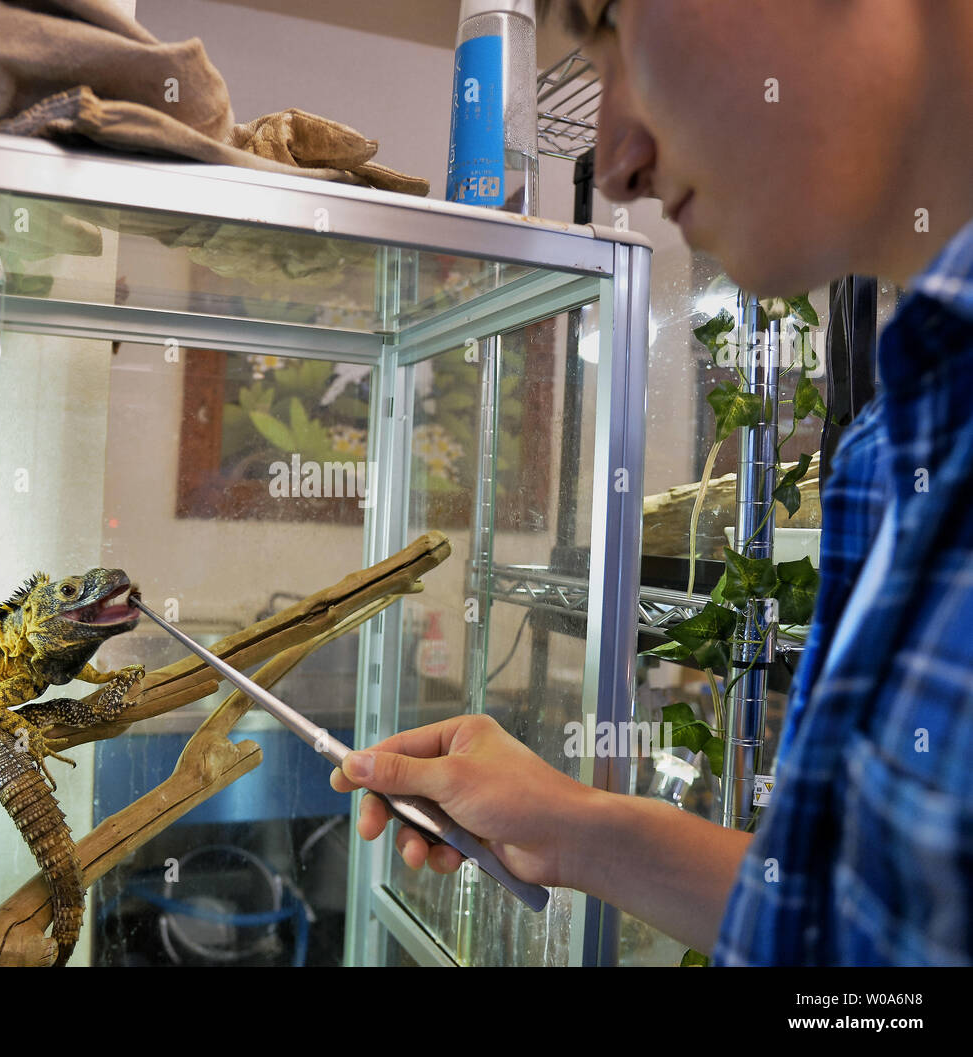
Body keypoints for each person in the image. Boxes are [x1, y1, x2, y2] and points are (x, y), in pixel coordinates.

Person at [332, 0, 973, 965]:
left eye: (613, 24)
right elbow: (851, 933)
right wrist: (575, 827)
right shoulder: (893, 452)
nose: (616, 155)